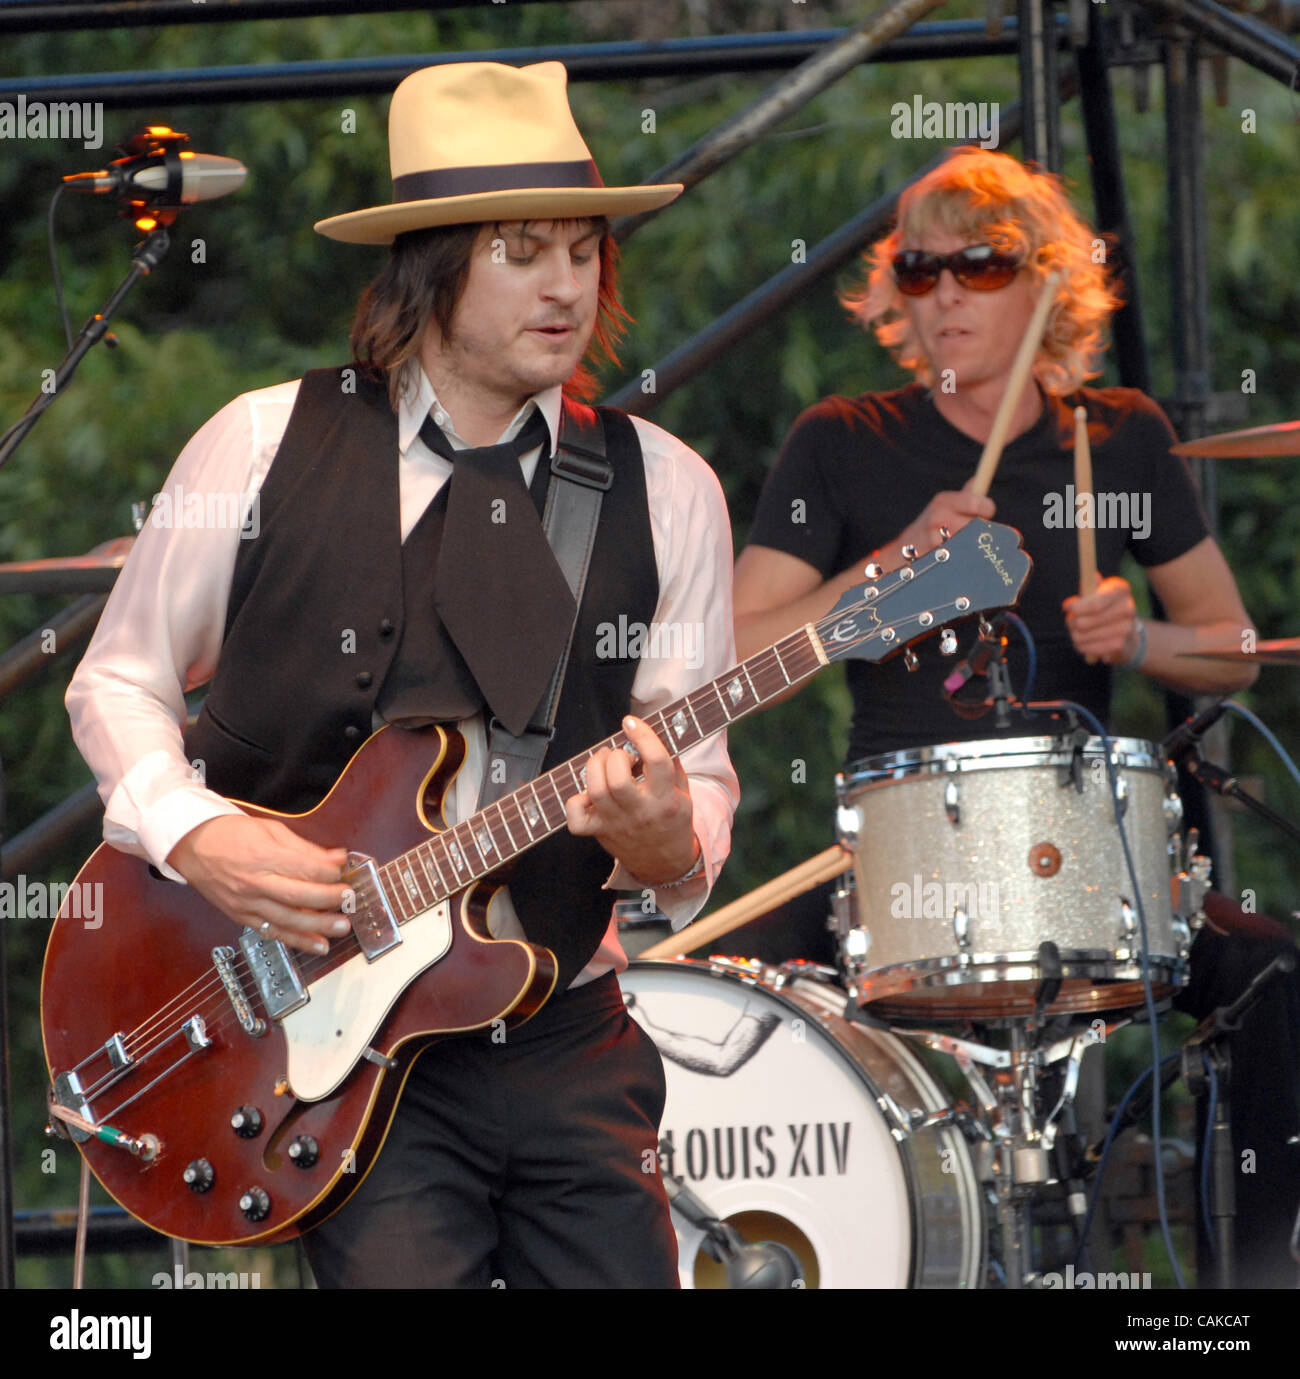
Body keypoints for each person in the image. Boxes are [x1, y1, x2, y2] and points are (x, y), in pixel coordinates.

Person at [65, 60, 739, 1289]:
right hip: (324, 1028)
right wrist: (197, 834)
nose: (566, 285)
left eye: (584, 252)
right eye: (523, 251)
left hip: (564, 1032)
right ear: (431, 264)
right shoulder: (264, 443)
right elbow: (117, 679)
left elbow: (691, 791)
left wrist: (661, 846)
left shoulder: (669, 487)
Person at [732, 147, 1300, 1287]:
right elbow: (740, 655)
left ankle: (1250, 1288)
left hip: (1086, 868)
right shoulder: (842, 440)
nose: (940, 292)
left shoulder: (1117, 435)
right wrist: (885, 573)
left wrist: (1136, 639)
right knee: (716, 1019)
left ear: (1042, 279)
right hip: (895, 879)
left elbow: (1233, 651)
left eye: (977, 266)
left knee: (1274, 980)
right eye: (918, 266)